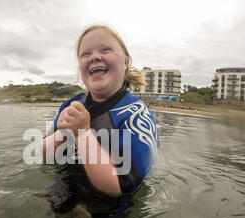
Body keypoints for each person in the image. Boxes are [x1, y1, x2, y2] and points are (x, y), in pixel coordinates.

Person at [41, 24, 159, 198]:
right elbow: (43, 156)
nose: (95, 57)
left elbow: (119, 186)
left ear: (126, 62)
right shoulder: (71, 105)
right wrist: (64, 133)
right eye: (85, 54)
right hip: (65, 191)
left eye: (106, 50)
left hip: (108, 212)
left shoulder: (136, 115)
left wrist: (82, 134)